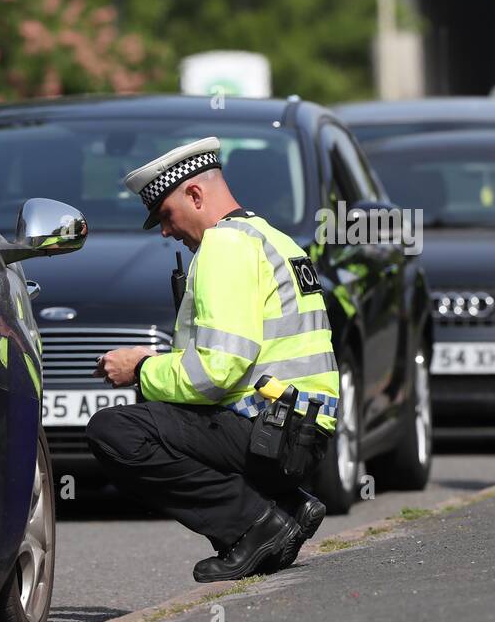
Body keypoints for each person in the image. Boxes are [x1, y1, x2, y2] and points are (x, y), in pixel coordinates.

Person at [86, 137, 339, 582]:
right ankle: (286, 505)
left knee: (115, 432)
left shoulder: (225, 246)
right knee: (166, 415)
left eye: (165, 215)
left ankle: (257, 525)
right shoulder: (273, 238)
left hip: (269, 433)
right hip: (299, 433)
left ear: (196, 195)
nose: (165, 231)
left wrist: (141, 368)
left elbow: (218, 373)